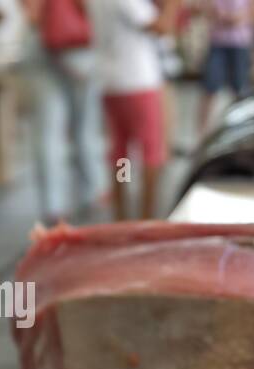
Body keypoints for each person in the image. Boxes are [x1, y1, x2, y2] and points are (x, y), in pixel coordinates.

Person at [88, 0, 181, 220]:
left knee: (121, 153)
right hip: (138, 81)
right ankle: (146, 220)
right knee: (150, 152)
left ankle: (121, 216)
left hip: (110, 81)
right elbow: (163, 27)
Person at [21, 0, 105, 224]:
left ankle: (53, 208)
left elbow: (30, 12)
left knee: (48, 133)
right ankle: (93, 194)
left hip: (43, 44)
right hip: (81, 50)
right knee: (86, 129)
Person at [197, 0, 254, 137]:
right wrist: (217, 14)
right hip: (218, 42)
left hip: (241, 42)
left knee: (240, 89)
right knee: (210, 86)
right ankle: (201, 135)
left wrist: (240, 17)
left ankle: (243, 132)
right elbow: (202, 6)